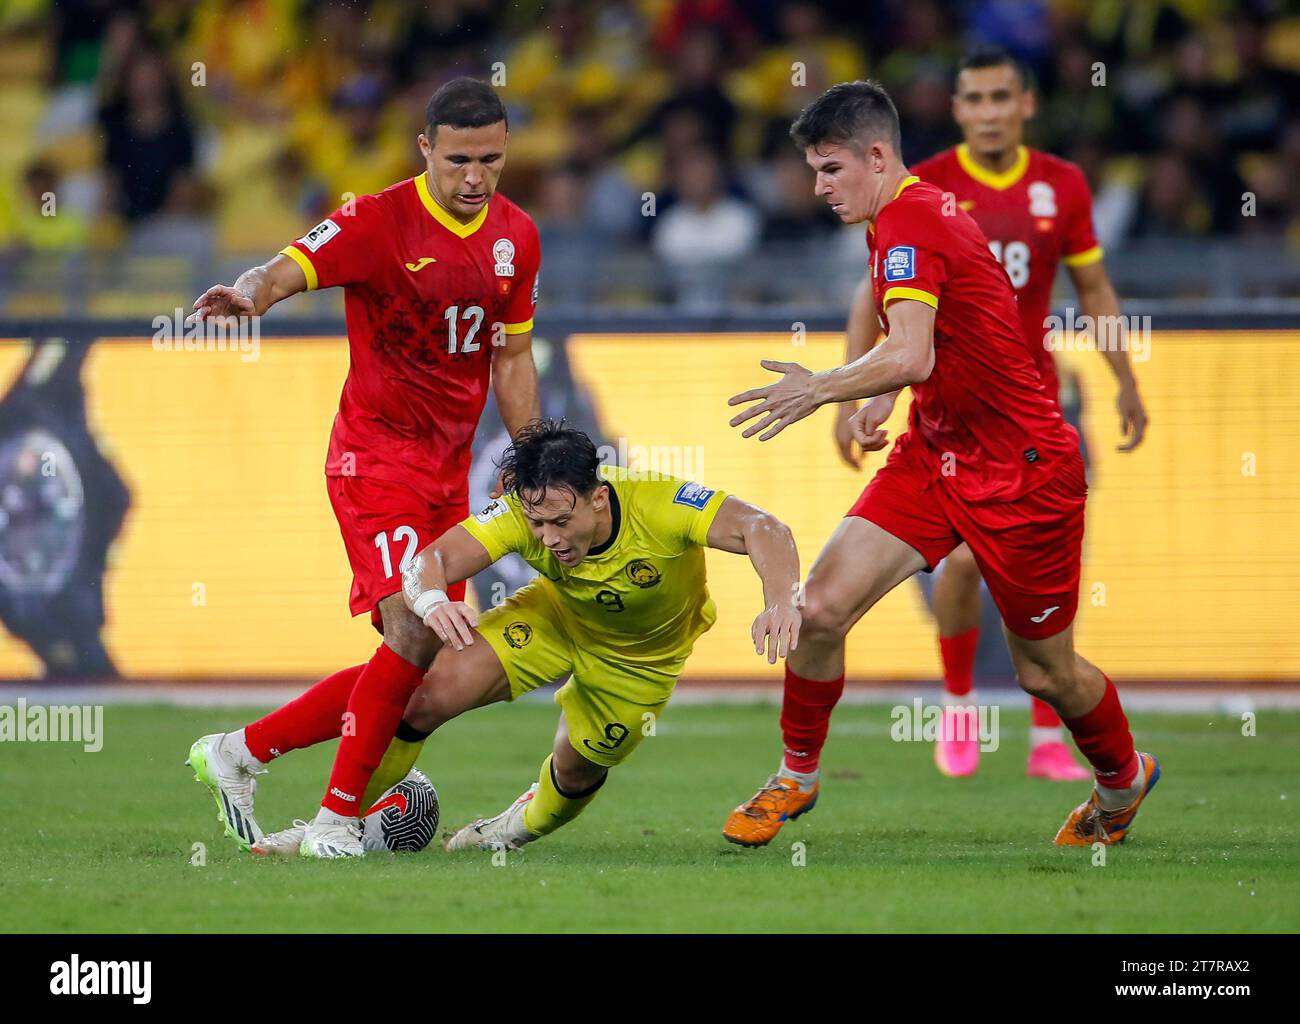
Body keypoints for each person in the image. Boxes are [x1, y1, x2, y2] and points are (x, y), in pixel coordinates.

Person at [722, 80, 1159, 849]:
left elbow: (911, 349)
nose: (816, 187)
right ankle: (797, 775)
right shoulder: (897, 214)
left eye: (829, 169)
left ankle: (1122, 782)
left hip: (1024, 470)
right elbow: (927, 341)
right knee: (817, 611)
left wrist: (823, 388)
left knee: (1045, 674)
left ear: (877, 156)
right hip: (936, 451)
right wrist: (884, 397)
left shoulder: (912, 220)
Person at [184, 78, 543, 858]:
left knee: (430, 670)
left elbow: (512, 357)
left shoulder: (518, 234)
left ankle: (238, 753)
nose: (475, 177)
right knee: (413, 624)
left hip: (450, 477)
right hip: (374, 460)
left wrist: (534, 449)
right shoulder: (376, 220)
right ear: (426, 150)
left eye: (490, 158)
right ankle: (334, 822)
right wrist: (250, 297)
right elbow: (281, 269)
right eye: (458, 160)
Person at [249, 420, 802, 856]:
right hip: (552, 618)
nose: (548, 538)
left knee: (577, 769)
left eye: (561, 522)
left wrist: (779, 599)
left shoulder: (661, 503)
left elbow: (765, 528)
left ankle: (510, 830)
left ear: (599, 499)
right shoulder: (523, 511)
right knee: (426, 695)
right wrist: (434, 600)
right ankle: (334, 826)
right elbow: (431, 560)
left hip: (639, 660)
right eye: (538, 524)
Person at [831, 46, 1149, 780]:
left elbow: (1093, 288)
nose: (988, 112)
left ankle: (1044, 736)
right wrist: (858, 393)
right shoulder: (923, 184)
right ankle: (961, 704)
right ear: (958, 109)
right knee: (967, 567)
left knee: (1032, 578)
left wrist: (1125, 377)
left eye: (1001, 97)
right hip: (950, 415)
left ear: (1026, 105)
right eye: (974, 98)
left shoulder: (1060, 185)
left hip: (1036, 411)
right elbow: (869, 296)